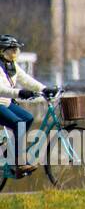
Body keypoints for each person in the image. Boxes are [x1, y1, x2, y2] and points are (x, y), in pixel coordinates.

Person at [0, 35, 56, 175]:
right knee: (19, 123)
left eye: (16, 50)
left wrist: (43, 89)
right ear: (2, 51)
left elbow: (26, 79)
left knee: (28, 118)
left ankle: (11, 153)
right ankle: (19, 163)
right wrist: (20, 93)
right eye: (12, 50)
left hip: (5, 102)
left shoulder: (11, 65)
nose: (15, 53)